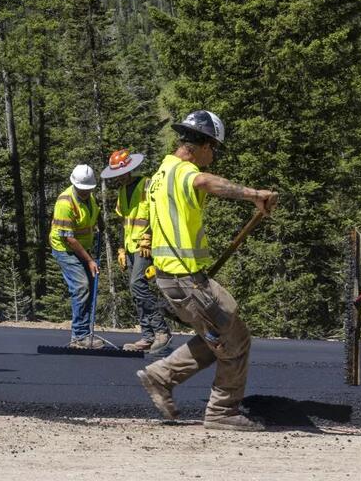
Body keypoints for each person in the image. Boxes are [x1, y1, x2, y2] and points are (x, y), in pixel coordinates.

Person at [137, 110, 278, 432]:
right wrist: (255, 194)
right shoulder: (184, 171)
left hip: (179, 277)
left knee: (224, 330)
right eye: (213, 148)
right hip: (185, 279)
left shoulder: (162, 172)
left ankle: (160, 376)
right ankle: (222, 412)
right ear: (199, 144)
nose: (213, 156)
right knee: (236, 339)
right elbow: (204, 181)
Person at [101, 148, 171, 354]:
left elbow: (158, 215)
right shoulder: (122, 191)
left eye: (121, 174)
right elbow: (126, 222)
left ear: (130, 169)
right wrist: (122, 248)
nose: (119, 178)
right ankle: (148, 336)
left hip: (146, 246)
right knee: (135, 290)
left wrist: (150, 238)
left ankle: (161, 331)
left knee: (137, 284)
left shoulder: (147, 186)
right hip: (131, 246)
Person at [49, 164, 103, 349]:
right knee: (81, 287)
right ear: (75, 185)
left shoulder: (90, 198)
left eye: (89, 189)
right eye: (82, 189)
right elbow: (69, 239)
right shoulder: (65, 203)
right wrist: (89, 260)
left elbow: (93, 216)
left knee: (89, 288)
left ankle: (85, 333)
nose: (86, 192)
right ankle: (79, 336)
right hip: (65, 249)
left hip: (83, 248)